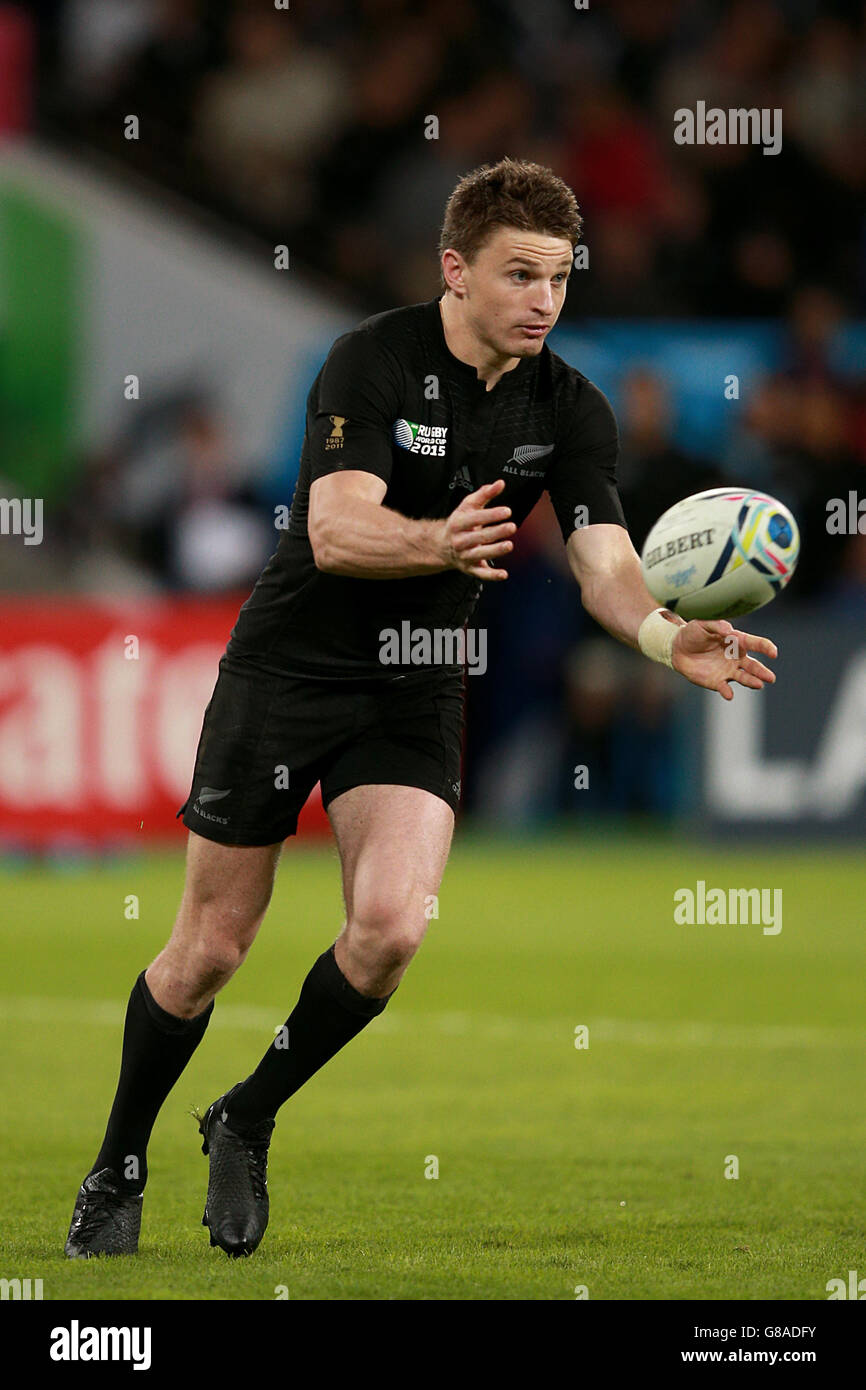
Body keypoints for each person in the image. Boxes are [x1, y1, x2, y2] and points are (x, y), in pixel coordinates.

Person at [65, 157, 778, 1259]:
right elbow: (336, 527)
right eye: (519, 275)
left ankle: (244, 1116)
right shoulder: (371, 361)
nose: (545, 299)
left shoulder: (569, 406)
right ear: (455, 270)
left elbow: (603, 564)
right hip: (288, 668)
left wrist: (661, 633)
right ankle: (116, 1161)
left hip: (416, 677)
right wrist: (434, 541)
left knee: (393, 926)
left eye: (558, 277)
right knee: (210, 947)